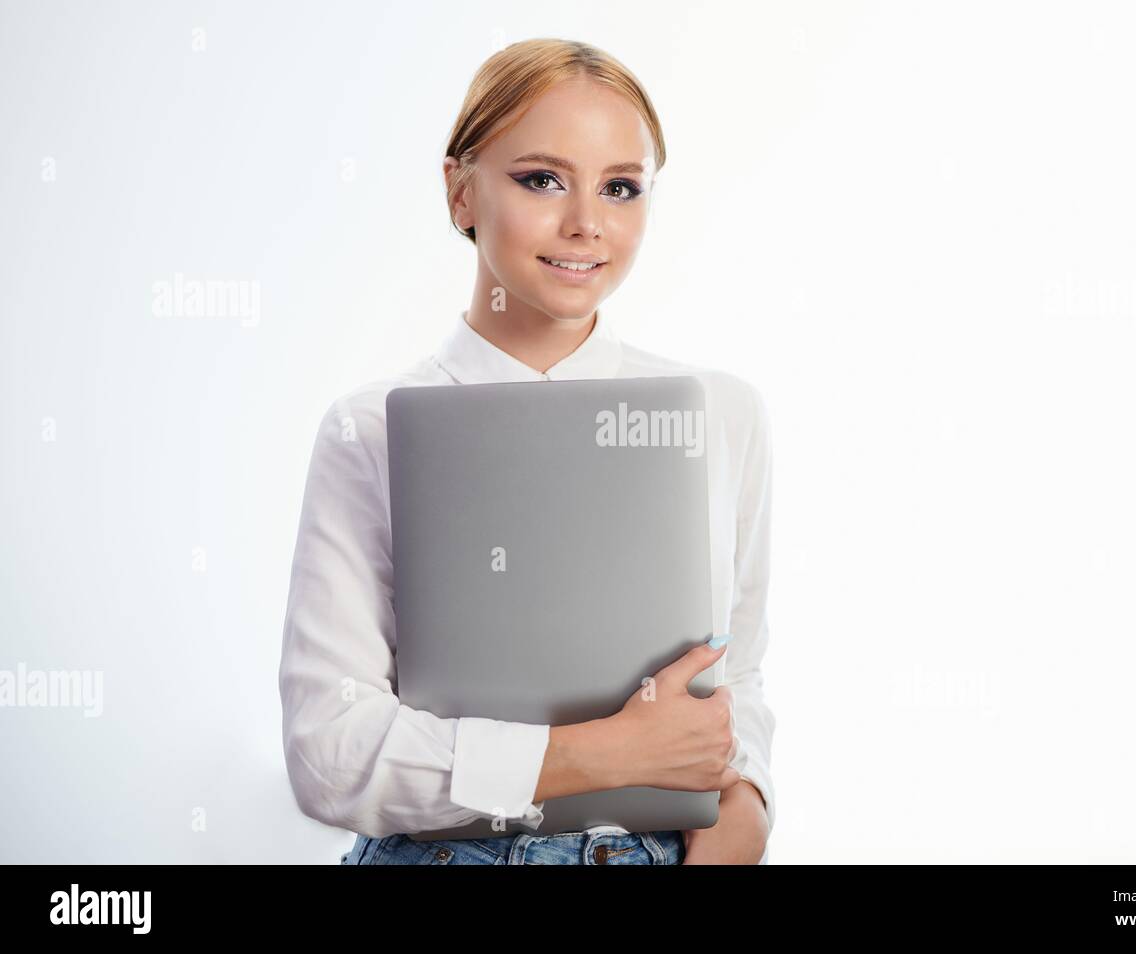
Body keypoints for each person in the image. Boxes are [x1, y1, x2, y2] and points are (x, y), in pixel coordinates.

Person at [279, 37, 776, 865]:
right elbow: (328, 753)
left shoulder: (724, 416)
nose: (585, 222)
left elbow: (741, 677)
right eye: (542, 179)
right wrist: (602, 754)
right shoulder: (367, 431)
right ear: (460, 189)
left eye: (621, 187)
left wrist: (748, 807)